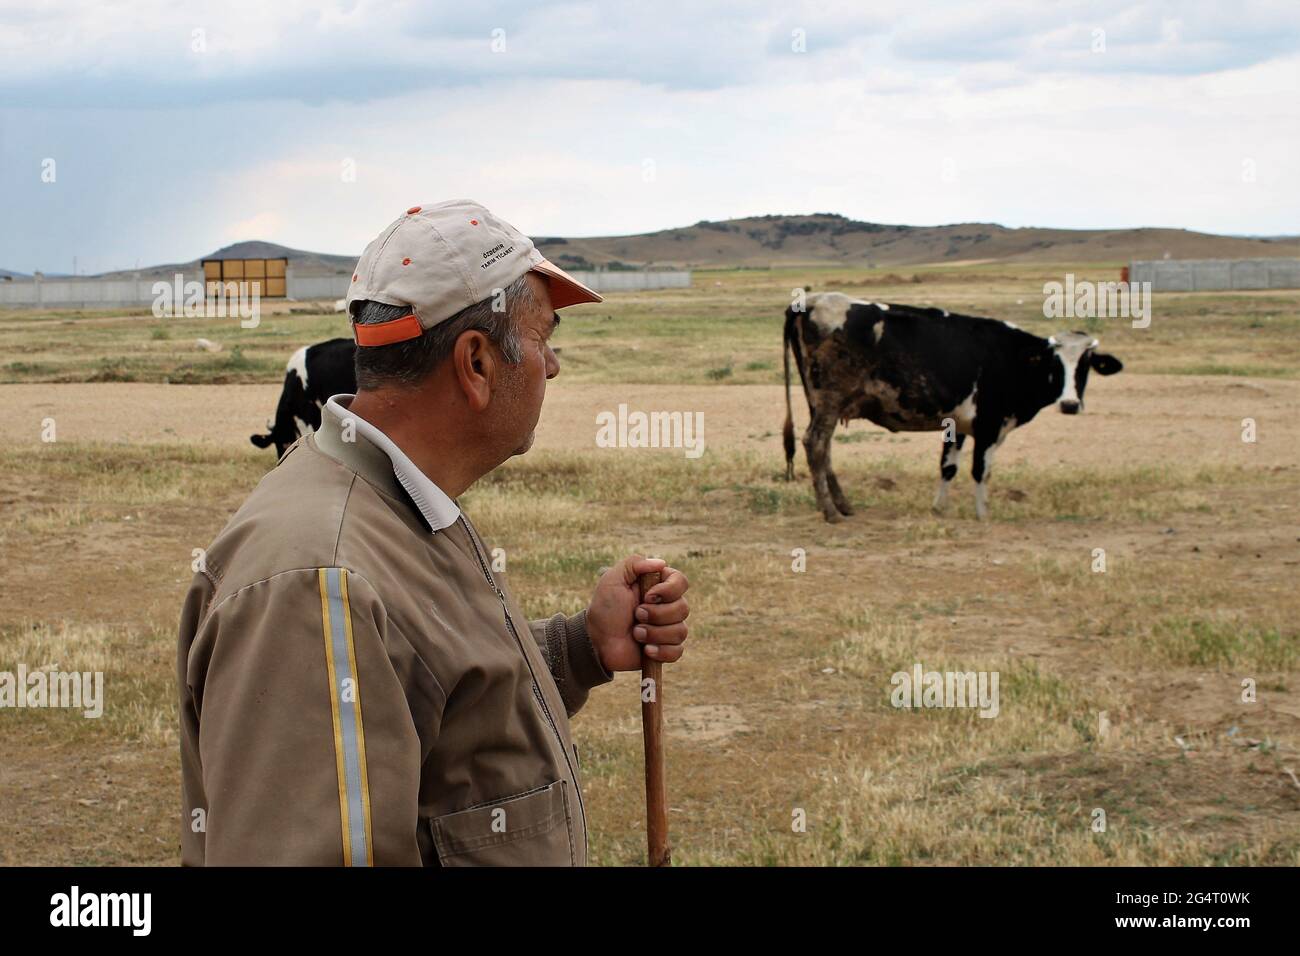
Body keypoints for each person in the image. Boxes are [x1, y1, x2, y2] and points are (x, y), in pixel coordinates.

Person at [178, 199, 690, 865]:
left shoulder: (394, 503)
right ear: (477, 363)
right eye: (544, 340)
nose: (554, 366)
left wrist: (580, 648)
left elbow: (431, 703)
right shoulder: (318, 584)